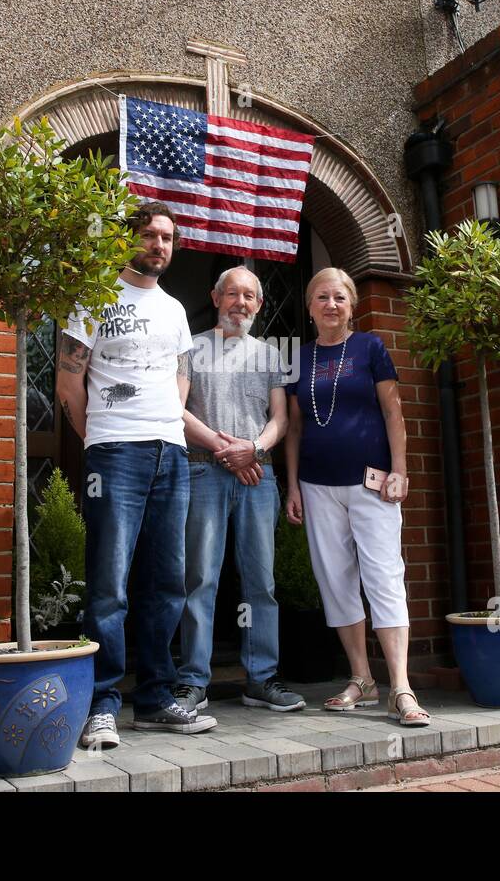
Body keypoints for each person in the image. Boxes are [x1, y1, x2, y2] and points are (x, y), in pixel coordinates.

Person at [56, 200, 216, 749]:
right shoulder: (93, 297)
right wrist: (98, 438)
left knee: (167, 581)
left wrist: (167, 423)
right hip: (115, 453)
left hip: (170, 453)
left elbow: (181, 379)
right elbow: (68, 385)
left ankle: (154, 699)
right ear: (129, 239)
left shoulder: (174, 309)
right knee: (108, 586)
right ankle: (101, 705)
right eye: (150, 235)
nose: (159, 245)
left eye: (168, 238)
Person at [283, 267, 430, 726]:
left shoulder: (371, 348)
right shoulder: (297, 358)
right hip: (316, 483)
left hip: (373, 482)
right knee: (336, 580)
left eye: (340, 298)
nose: (331, 305)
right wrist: (291, 484)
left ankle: (401, 686)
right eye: (322, 297)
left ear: (352, 305)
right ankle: (362, 679)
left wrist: (400, 471)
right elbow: (294, 427)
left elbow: (393, 410)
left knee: (384, 576)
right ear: (309, 307)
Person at [175, 266, 304, 714]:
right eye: (233, 294)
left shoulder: (270, 354)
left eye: (249, 296)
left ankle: (261, 678)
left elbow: (281, 419)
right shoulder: (190, 347)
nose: (241, 303)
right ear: (216, 298)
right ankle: (194, 681)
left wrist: (253, 448)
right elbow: (176, 409)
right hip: (203, 472)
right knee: (200, 580)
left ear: (259, 304)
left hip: (257, 477)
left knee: (260, 583)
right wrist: (225, 449)